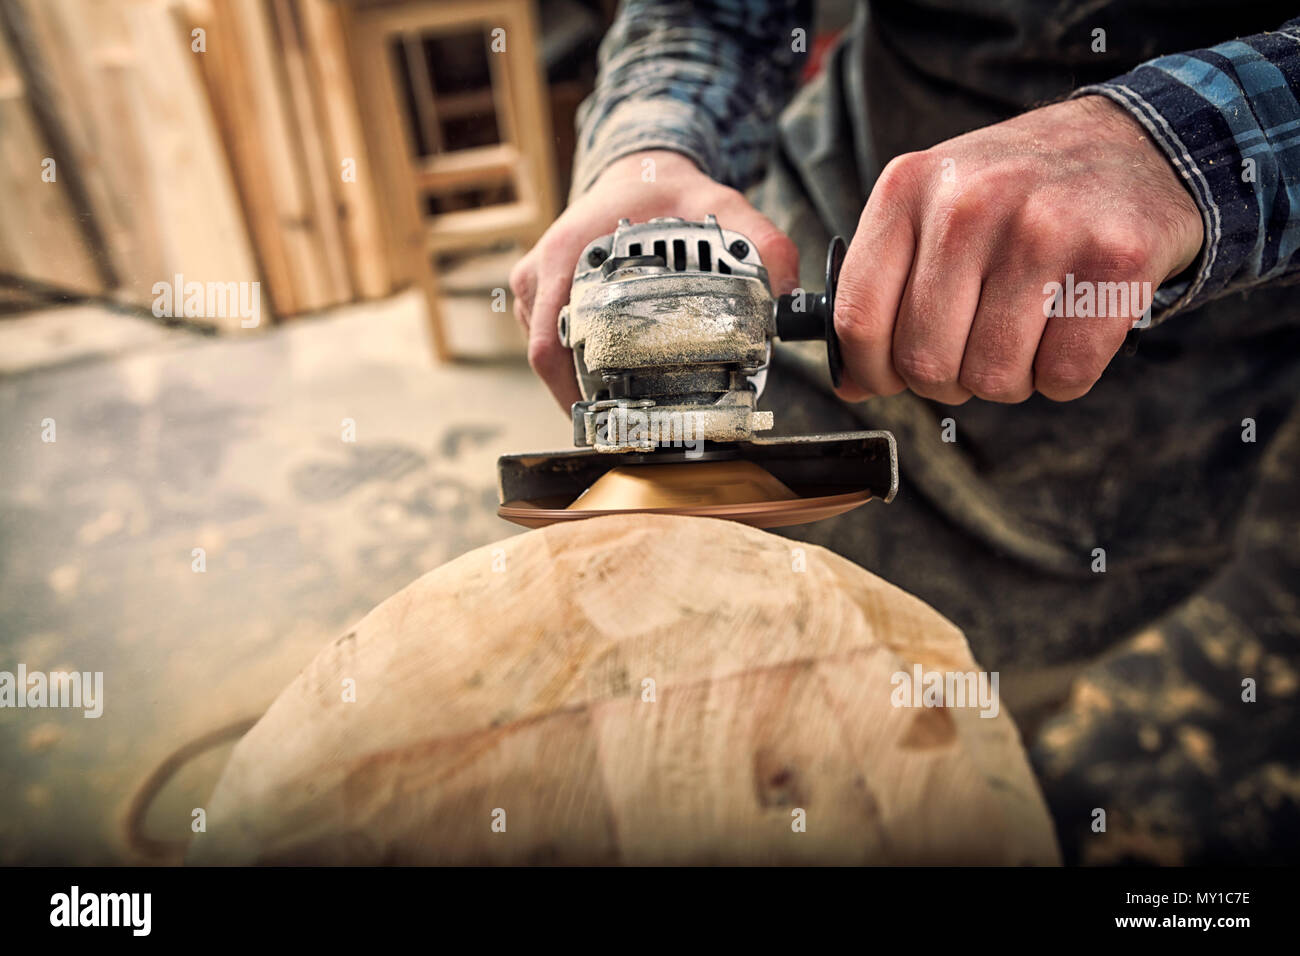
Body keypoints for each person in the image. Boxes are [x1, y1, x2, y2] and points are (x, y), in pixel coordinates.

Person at [510, 1, 1300, 864]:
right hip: (832, 216)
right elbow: (710, 13)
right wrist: (647, 150)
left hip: (1128, 431)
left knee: (952, 752)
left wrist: (1183, 150)